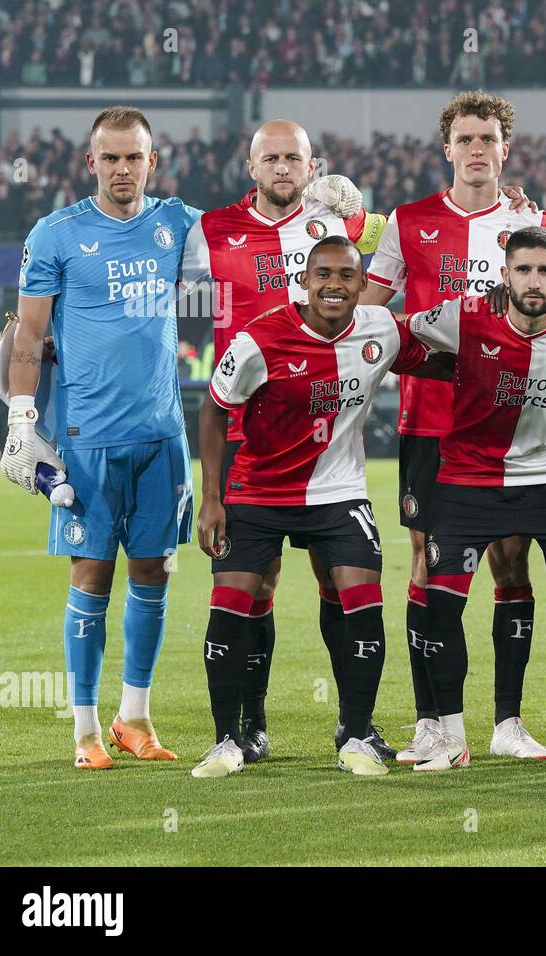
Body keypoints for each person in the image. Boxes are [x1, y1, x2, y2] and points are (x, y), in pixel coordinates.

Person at [192, 236, 443, 777]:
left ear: (361, 284)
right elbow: (214, 411)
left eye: (347, 276)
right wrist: (212, 498)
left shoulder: (381, 328)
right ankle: (228, 739)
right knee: (231, 604)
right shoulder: (259, 340)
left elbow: (442, 358)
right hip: (257, 492)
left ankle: (355, 730)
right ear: (304, 282)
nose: (335, 285)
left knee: (362, 599)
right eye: (323, 275)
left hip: (338, 493)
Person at [180, 118, 390, 763]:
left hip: (324, 435)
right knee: (257, 584)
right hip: (244, 429)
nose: (281, 168)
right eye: (269, 158)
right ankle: (249, 722)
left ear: (310, 165)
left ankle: (354, 725)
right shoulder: (209, 230)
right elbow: (160, 292)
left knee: (340, 579)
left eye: (292, 158)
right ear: (251, 167)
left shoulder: (341, 226)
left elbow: (403, 248)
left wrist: (522, 207)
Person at [359, 91, 546, 764]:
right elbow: (366, 317)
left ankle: (507, 722)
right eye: (465, 139)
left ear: (506, 149)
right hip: (430, 423)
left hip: (511, 422)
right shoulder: (407, 223)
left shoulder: (532, 223)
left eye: (488, 138)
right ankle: (434, 723)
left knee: (509, 561)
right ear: (447, 149)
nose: (477, 149)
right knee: (428, 564)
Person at [4, 106, 199, 769]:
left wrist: (321, 209)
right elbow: (29, 334)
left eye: (134, 157)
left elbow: (252, 236)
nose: (122, 168)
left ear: (153, 160)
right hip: (88, 438)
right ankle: (86, 730)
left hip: (162, 436)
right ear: (91, 163)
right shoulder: (56, 234)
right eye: (110, 157)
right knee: (91, 575)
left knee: (154, 573)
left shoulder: (176, 222)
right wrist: (21, 417)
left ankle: (134, 719)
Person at [401, 227, 546, 773]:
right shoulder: (462, 315)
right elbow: (399, 341)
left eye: (544, 271)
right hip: (469, 479)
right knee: (442, 604)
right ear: (504, 275)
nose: (533, 281)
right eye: (522, 270)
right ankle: (450, 739)